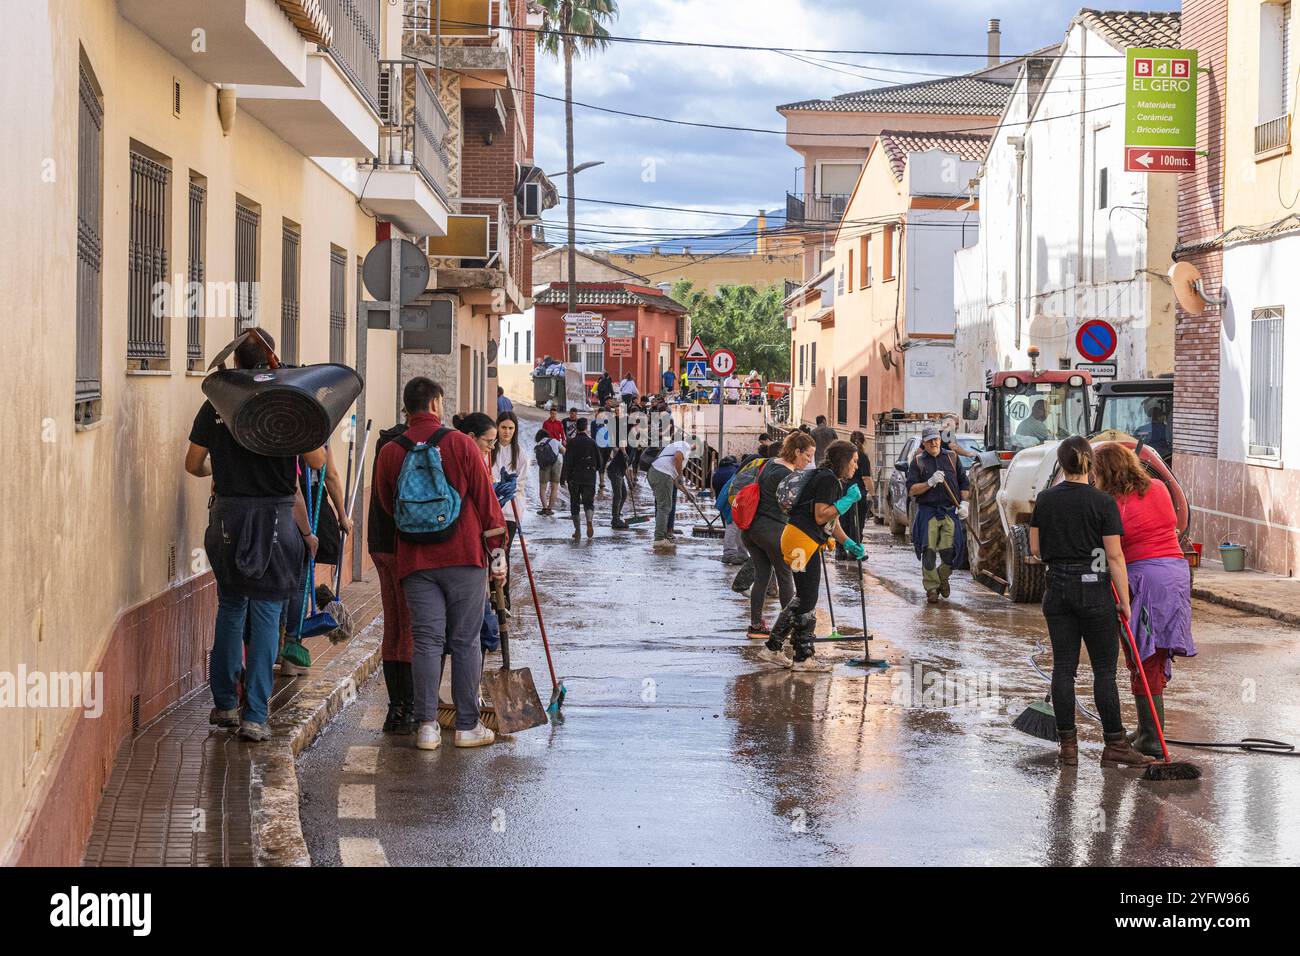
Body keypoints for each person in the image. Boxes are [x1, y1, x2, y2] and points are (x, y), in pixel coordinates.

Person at [184, 329, 323, 742]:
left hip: (227, 517)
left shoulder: (216, 403)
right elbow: (316, 459)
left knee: (231, 607)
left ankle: (226, 704)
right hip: (275, 519)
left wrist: (222, 470)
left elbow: (193, 464)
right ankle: (256, 716)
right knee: (266, 614)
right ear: (271, 360)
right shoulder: (285, 401)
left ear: (236, 362)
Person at [374, 377, 507, 751]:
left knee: (426, 641)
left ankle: (427, 727)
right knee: (465, 641)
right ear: (435, 404)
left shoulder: (390, 451)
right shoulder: (460, 443)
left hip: (415, 560)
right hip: (464, 557)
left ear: (407, 408)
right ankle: (467, 726)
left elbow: (387, 504)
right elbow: (486, 502)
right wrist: (497, 554)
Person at [1029, 436, 1154, 769]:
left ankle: (1068, 747)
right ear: (1090, 464)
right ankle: (1115, 745)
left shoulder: (1045, 499)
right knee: (1104, 672)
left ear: (1061, 464)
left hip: (1057, 589)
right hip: (1094, 590)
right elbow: (1114, 555)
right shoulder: (1103, 502)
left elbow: (1036, 549)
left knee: (1063, 669)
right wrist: (1124, 601)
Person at [1092, 443, 1195, 757]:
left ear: (1105, 472)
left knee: (1142, 655)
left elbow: (1112, 549)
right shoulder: (1159, 488)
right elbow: (1173, 524)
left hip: (1145, 580)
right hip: (1175, 574)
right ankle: (1146, 727)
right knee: (1154, 652)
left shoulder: (1111, 503)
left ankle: (1151, 737)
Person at [757, 439, 866, 672]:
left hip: (800, 541)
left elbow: (830, 521)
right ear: (844, 460)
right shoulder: (828, 480)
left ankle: (774, 647)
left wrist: (848, 542)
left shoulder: (826, 477)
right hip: (800, 543)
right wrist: (847, 500)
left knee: (804, 597)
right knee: (807, 597)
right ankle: (802, 657)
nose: (856, 466)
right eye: (854, 461)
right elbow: (820, 515)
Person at [367, 403, 420, 735]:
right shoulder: (421, 445)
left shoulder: (384, 442)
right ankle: (409, 709)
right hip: (407, 544)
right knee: (411, 628)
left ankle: (395, 709)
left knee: (393, 627)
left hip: (380, 542)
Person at [740, 433, 810, 640]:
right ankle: (786, 628)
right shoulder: (788, 475)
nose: (809, 461)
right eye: (807, 455)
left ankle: (755, 626)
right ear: (796, 452)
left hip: (751, 529)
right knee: (785, 577)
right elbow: (793, 507)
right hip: (772, 531)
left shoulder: (769, 463)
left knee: (761, 577)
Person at [906, 426, 969, 604]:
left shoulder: (952, 457)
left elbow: (964, 483)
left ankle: (942, 577)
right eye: (929, 440)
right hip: (928, 512)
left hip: (949, 511)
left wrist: (964, 503)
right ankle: (932, 588)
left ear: (940, 440)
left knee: (951, 551)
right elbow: (912, 489)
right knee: (929, 552)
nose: (934, 443)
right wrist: (929, 482)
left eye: (936, 439)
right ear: (924, 443)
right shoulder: (918, 462)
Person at [491, 411, 530, 607]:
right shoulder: (490, 449)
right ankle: (492, 591)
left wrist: (507, 487)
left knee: (502, 550)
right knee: (492, 551)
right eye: (504, 427)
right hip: (490, 507)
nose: (507, 432)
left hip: (510, 510)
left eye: (511, 428)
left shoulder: (520, 453)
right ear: (497, 427)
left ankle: (503, 597)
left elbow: (521, 481)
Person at [647, 428, 693, 549]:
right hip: (662, 474)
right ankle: (659, 539)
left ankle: (661, 536)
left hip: (655, 472)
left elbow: (674, 481)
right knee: (664, 507)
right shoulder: (685, 445)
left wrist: (687, 493)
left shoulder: (674, 446)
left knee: (663, 506)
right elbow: (678, 457)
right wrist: (681, 475)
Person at [560, 417, 601, 540]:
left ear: (576, 428)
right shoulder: (592, 442)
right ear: (586, 427)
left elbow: (567, 462)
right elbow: (600, 462)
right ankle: (589, 520)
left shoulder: (572, 442)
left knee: (575, 504)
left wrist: (566, 477)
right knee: (589, 503)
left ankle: (577, 530)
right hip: (589, 477)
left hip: (575, 478)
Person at [836, 431, 874, 561]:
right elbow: (866, 478)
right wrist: (873, 495)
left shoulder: (845, 455)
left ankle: (840, 550)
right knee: (857, 523)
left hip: (843, 491)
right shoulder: (862, 456)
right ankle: (855, 550)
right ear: (863, 441)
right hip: (858, 493)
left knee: (843, 521)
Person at [711, 455, 743, 564]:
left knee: (730, 525)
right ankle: (730, 553)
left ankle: (735, 552)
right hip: (733, 500)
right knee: (734, 527)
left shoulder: (718, 473)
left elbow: (715, 488)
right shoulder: (736, 471)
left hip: (723, 499)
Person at [534, 427, 564, 516]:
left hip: (544, 466)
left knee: (543, 488)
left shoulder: (539, 444)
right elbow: (564, 451)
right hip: (556, 464)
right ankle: (550, 509)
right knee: (554, 487)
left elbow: (538, 457)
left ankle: (544, 508)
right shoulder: (554, 441)